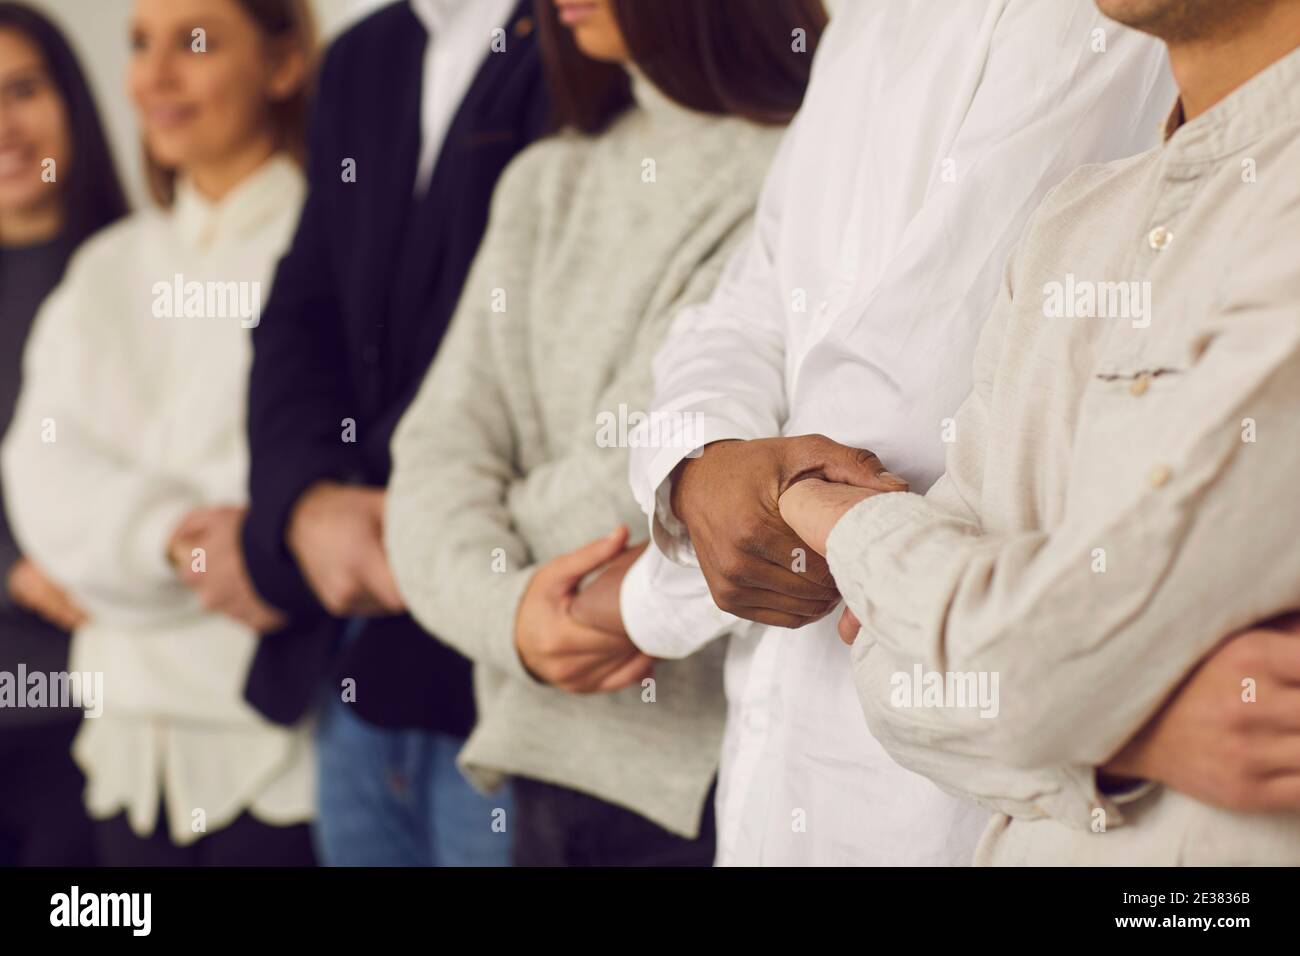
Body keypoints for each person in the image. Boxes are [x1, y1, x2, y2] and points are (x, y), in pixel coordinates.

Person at [572, 0, 1178, 865]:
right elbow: (743, 309)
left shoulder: (1089, 17)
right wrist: (700, 464)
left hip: (945, 744)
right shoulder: (864, 22)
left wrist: (643, 601)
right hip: (775, 723)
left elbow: (906, 401)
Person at [777, 0, 1300, 866]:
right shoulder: (1073, 223)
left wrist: (831, 515)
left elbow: (1041, 644)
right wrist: (1132, 733)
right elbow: (883, 670)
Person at [385, 0, 826, 866]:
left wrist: (504, 523)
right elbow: (435, 452)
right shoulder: (545, 179)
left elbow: (653, 474)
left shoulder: (800, 165)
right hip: (540, 744)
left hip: (708, 771)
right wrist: (509, 615)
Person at [1, 0, 317, 866]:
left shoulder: (325, 243)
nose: (157, 76)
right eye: (141, 45)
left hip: (280, 750)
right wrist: (179, 540)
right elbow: (45, 481)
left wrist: (138, 541)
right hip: (127, 752)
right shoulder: (110, 269)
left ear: (283, 65)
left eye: (198, 43)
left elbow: (291, 494)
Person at [239, 0, 548, 867]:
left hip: (508, 646)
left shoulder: (587, 32)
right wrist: (304, 506)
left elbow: (522, 352)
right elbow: (303, 310)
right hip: (357, 646)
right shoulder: (366, 55)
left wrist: (390, 520)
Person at [0, 0, 128, 868]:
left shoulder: (147, 270)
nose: (6, 126)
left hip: (120, 696)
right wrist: (16, 566)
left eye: (24, 89)